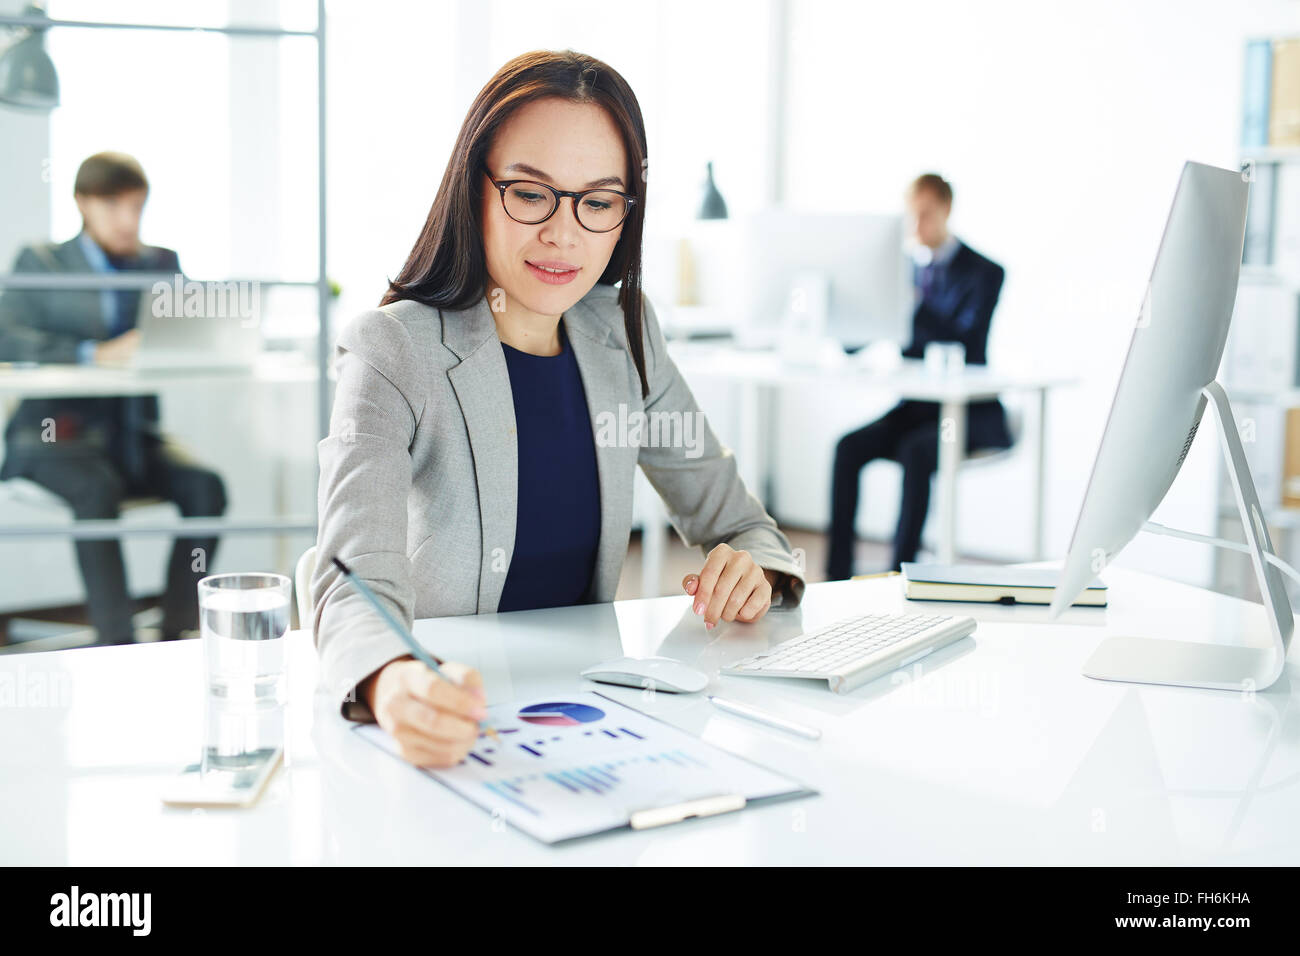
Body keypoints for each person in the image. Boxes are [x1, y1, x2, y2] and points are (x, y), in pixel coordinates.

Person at [312, 50, 806, 769]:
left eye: (598, 202)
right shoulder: (394, 351)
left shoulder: (626, 335)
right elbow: (350, 580)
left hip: (587, 725)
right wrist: (392, 682)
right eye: (529, 193)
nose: (564, 233)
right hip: (449, 729)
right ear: (472, 189)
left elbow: (739, 524)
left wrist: (754, 570)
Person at [0, 152, 228, 644]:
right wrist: (93, 353)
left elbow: (191, 336)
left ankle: (174, 631)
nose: (128, 221)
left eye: (136, 207)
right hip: (51, 439)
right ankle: (116, 640)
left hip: (132, 436)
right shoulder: (41, 261)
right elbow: (8, 337)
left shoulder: (162, 263)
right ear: (83, 203)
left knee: (206, 489)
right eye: (114, 207)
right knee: (95, 490)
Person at [826, 173, 1011, 578]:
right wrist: (851, 303)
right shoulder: (901, 270)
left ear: (946, 209)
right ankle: (836, 575)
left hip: (971, 413)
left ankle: (899, 574)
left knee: (917, 451)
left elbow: (964, 341)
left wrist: (913, 302)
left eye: (925, 215)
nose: (915, 228)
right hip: (917, 408)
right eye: (910, 217)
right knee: (848, 448)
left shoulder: (985, 273)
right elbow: (858, 341)